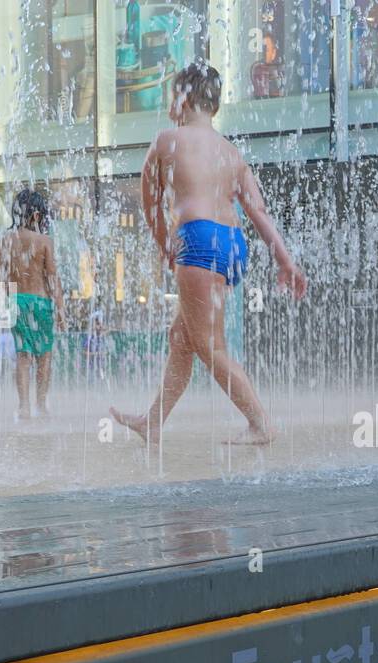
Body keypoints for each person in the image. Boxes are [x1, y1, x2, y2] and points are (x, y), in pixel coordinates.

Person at [110, 60, 307, 449]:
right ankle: (153, 422)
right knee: (182, 336)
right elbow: (257, 210)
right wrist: (285, 260)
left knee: (210, 346)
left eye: (171, 96)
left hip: (198, 239)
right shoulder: (231, 152)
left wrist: (166, 245)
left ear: (182, 99)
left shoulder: (166, 140)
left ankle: (260, 424)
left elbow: (151, 205)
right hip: (233, 244)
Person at [0, 188, 62, 420]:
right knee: (44, 355)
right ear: (36, 215)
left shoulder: (5, 241)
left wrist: (5, 304)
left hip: (16, 301)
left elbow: (0, 277)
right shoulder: (44, 241)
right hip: (40, 302)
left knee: (23, 356)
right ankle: (41, 405)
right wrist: (61, 307)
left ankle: (23, 406)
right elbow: (52, 277)